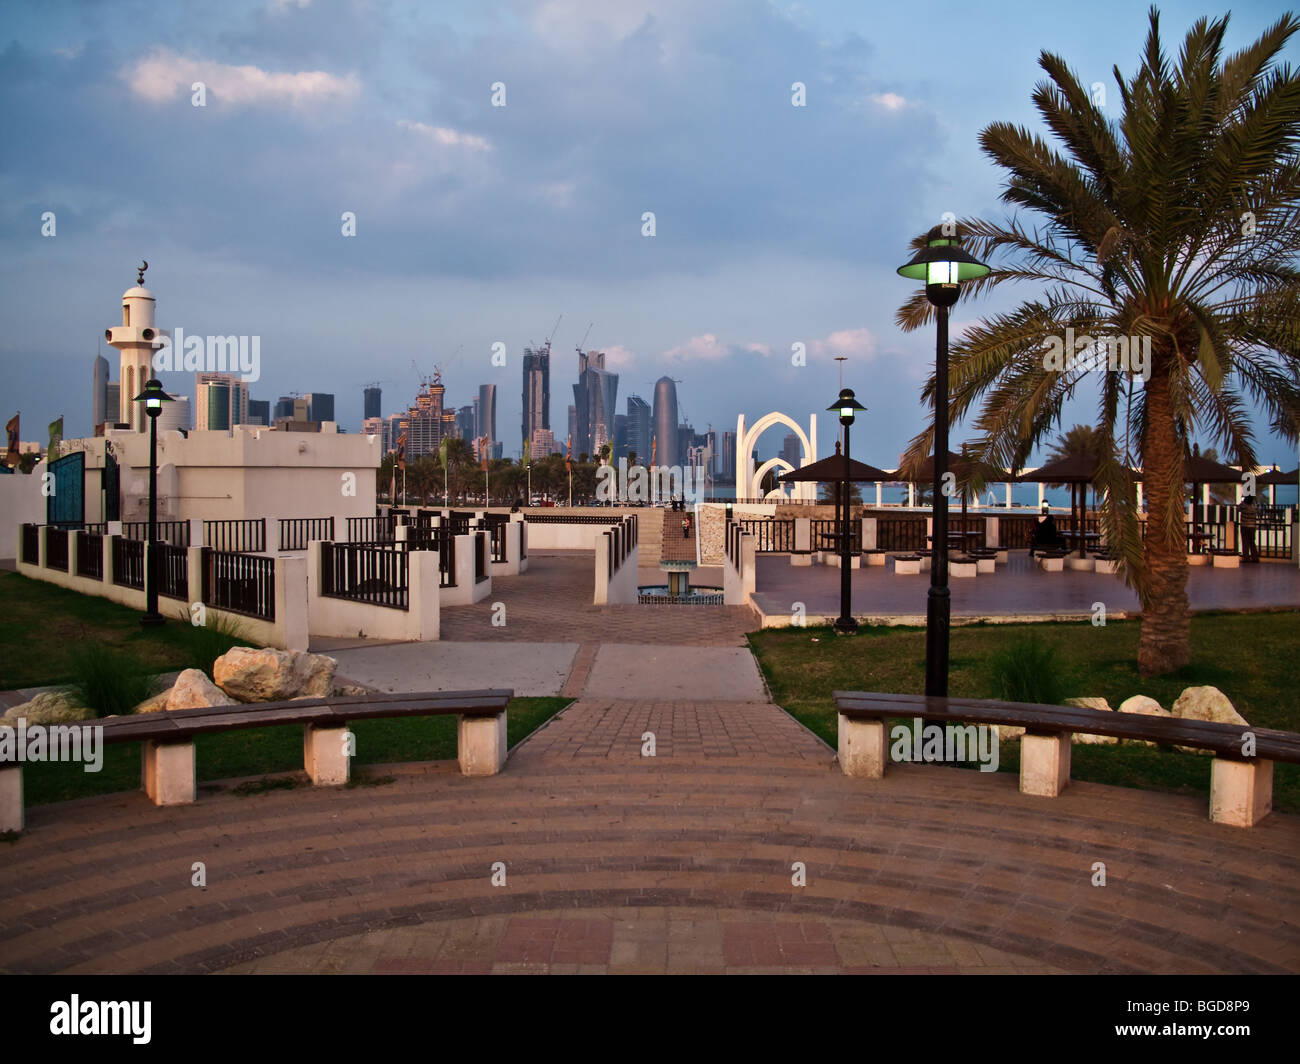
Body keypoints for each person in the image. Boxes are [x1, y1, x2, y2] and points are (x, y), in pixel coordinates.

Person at [1239, 493, 1259, 562]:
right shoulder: (1254, 507)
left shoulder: (1243, 505)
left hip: (1244, 526)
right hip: (1252, 526)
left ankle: (1246, 558)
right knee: (1252, 542)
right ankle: (1255, 558)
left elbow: (1239, 508)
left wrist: (1243, 500)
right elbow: (1257, 509)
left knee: (1245, 543)